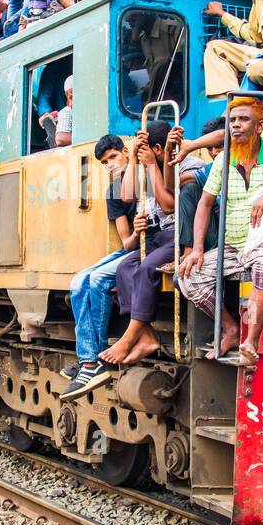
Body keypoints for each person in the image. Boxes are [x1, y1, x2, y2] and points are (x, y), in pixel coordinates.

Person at [178, 97, 263, 364]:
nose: (236, 125)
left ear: (260, 126)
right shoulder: (222, 162)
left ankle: (250, 341)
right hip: (233, 246)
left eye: (243, 120)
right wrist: (195, 250)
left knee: (262, 268)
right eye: (232, 121)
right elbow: (205, 203)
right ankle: (230, 328)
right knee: (188, 276)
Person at [61, 135, 146, 396]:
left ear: (126, 153)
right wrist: (136, 232)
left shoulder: (147, 179)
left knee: (97, 279)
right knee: (78, 281)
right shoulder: (113, 191)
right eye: (104, 162)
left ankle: (90, 361)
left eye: (113, 157)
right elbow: (128, 243)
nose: (109, 164)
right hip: (132, 248)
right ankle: (89, 357)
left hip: (151, 249)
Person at [95, 122, 180, 373]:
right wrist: (133, 158)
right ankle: (146, 335)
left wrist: (152, 163)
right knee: (125, 267)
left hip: (178, 232)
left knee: (147, 268)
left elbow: (168, 206)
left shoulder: (176, 165)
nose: (110, 164)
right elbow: (128, 196)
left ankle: (130, 337)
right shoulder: (141, 168)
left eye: (114, 157)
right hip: (161, 236)